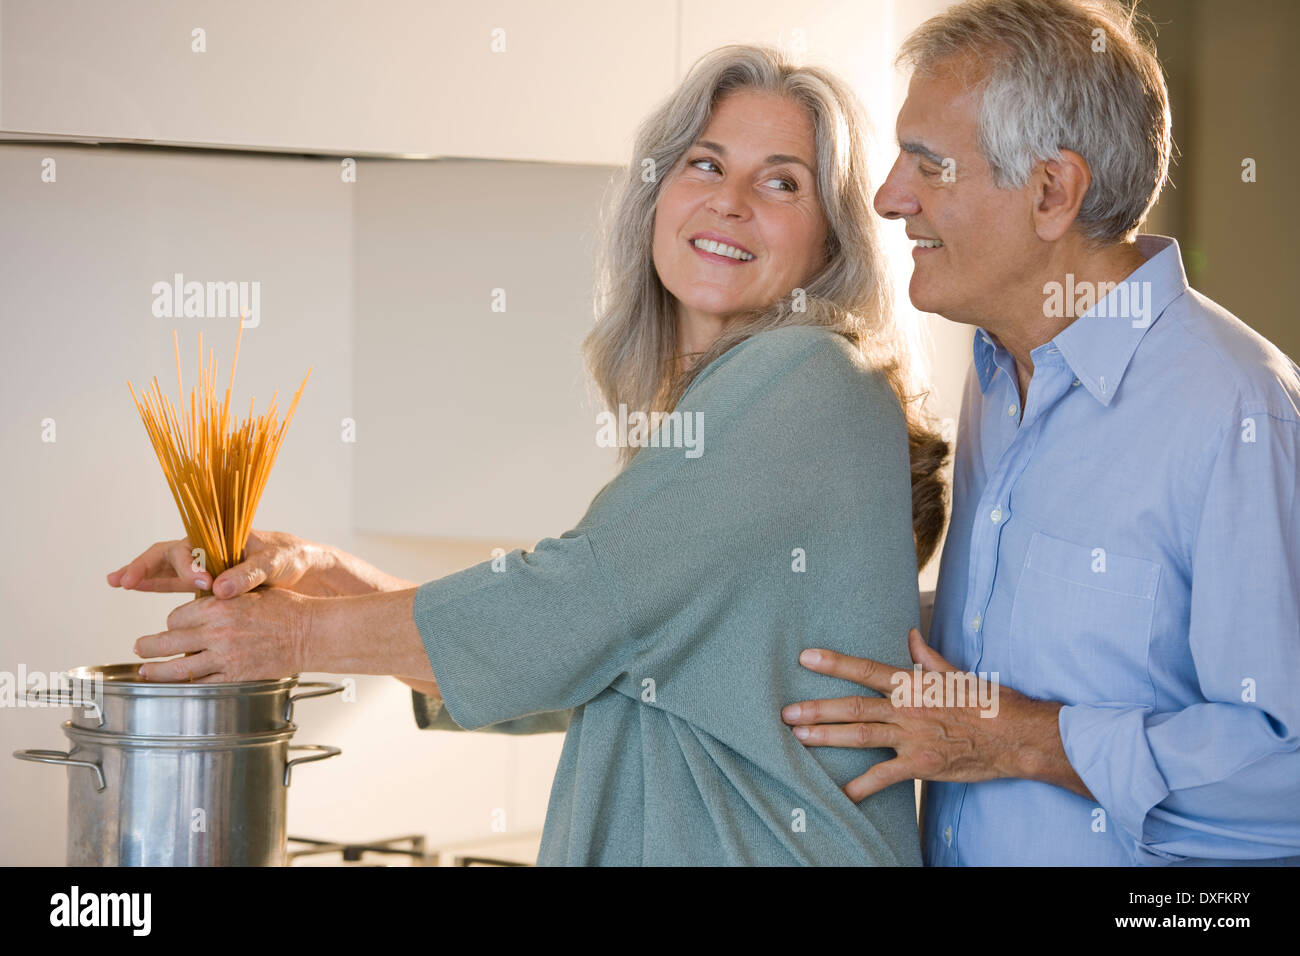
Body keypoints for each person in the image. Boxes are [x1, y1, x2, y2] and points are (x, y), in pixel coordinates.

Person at [108, 45, 950, 865]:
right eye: (704, 164)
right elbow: (587, 653)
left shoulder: (803, 372)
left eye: (780, 181)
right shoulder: (730, 404)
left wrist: (293, 637)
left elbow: (573, 606)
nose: (729, 200)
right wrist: (324, 576)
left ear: (831, 246)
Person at [780, 0, 1300, 866]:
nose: (887, 196)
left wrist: (1021, 739)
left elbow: (1288, 775)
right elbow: (1015, 647)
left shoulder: (1243, 415)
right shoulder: (999, 374)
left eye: (928, 163)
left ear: (1053, 192)